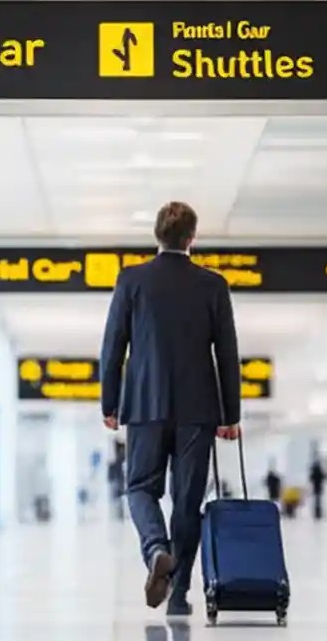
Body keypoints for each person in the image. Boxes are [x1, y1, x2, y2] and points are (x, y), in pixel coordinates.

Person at [100, 201, 241, 617]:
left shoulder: (131, 280)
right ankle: (178, 594)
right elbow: (227, 355)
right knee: (187, 500)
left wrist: (110, 402)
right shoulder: (213, 285)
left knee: (140, 487)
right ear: (192, 239)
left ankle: (156, 548)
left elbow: (113, 347)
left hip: (144, 405)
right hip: (198, 409)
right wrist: (230, 414)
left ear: (157, 236)